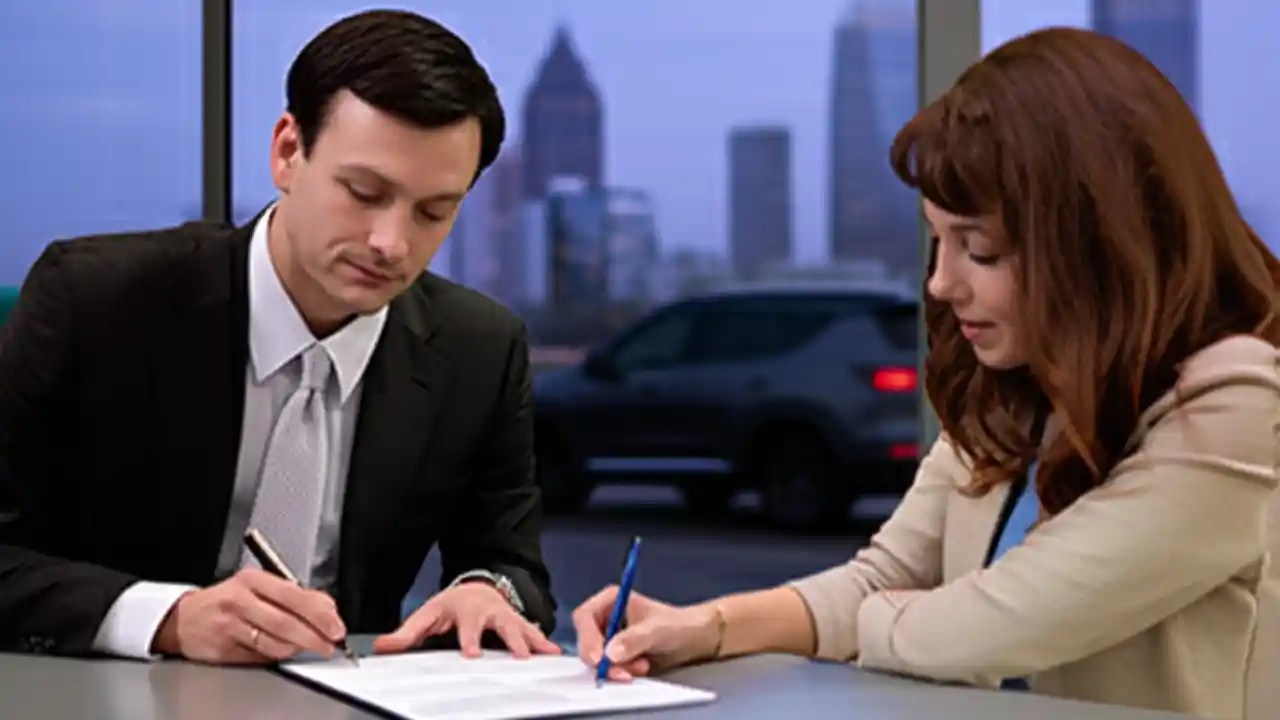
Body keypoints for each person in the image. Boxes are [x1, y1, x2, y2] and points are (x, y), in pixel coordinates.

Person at [572, 27, 1280, 720]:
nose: (941, 283)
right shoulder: (1016, 388)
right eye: (938, 241)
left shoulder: (1235, 400)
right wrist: (707, 627)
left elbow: (999, 624)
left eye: (981, 250)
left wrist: (866, 623)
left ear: (1097, 245)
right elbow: (881, 581)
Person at [0, 9, 560, 665]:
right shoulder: (95, 302)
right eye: (362, 191)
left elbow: (510, 566)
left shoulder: (479, 349)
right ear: (288, 151)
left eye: (434, 211)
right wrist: (167, 618)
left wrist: (485, 592)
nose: (392, 243)